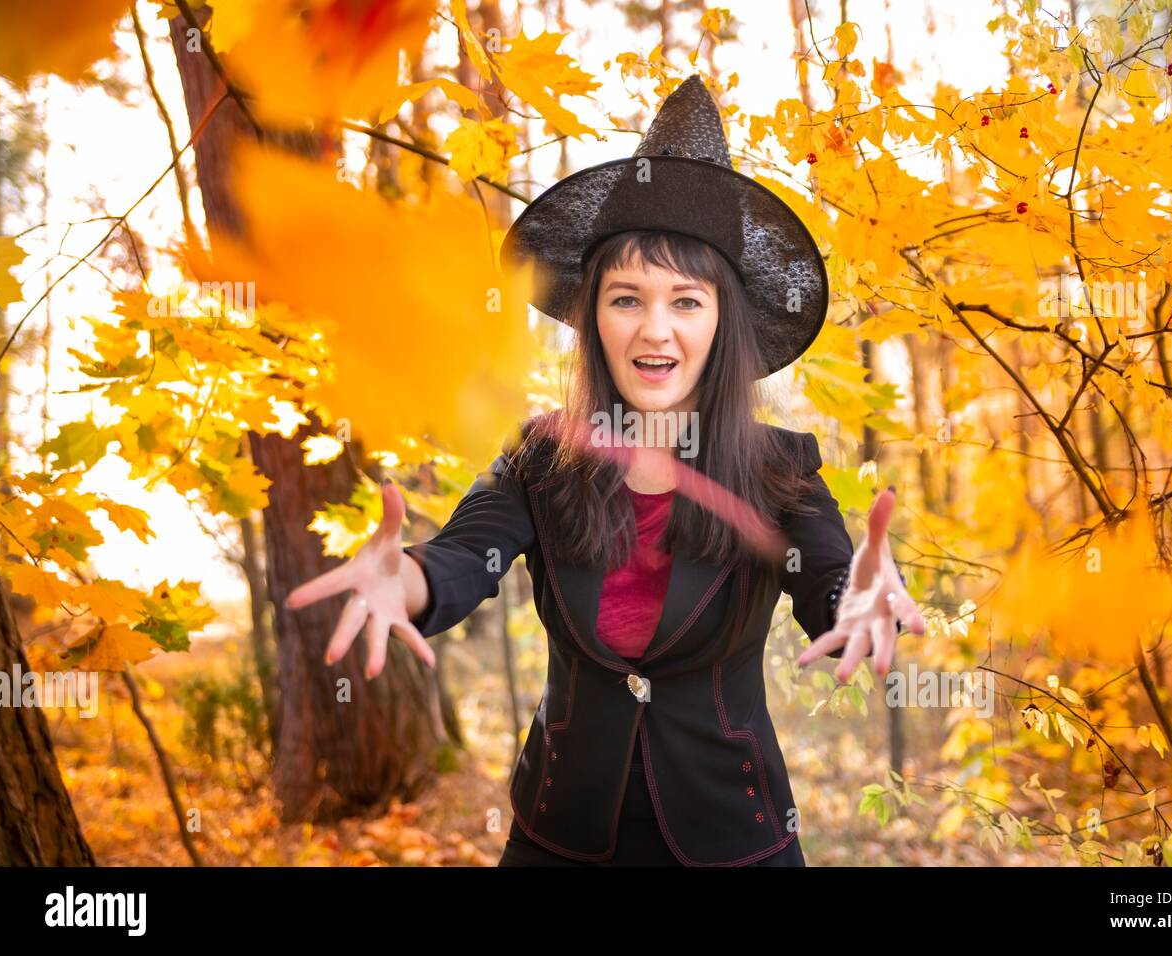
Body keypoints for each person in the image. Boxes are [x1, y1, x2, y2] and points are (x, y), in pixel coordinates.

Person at [284, 74, 925, 867]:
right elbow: (460, 559)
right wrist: (404, 580)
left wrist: (862, 602)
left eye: (687, 301)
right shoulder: (540, 459)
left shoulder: (780, 470)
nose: (654, 328)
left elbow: (836, 595)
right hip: (558, 838)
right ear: (593, 317)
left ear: (723, 322)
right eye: (626, 298)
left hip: (735, 840)